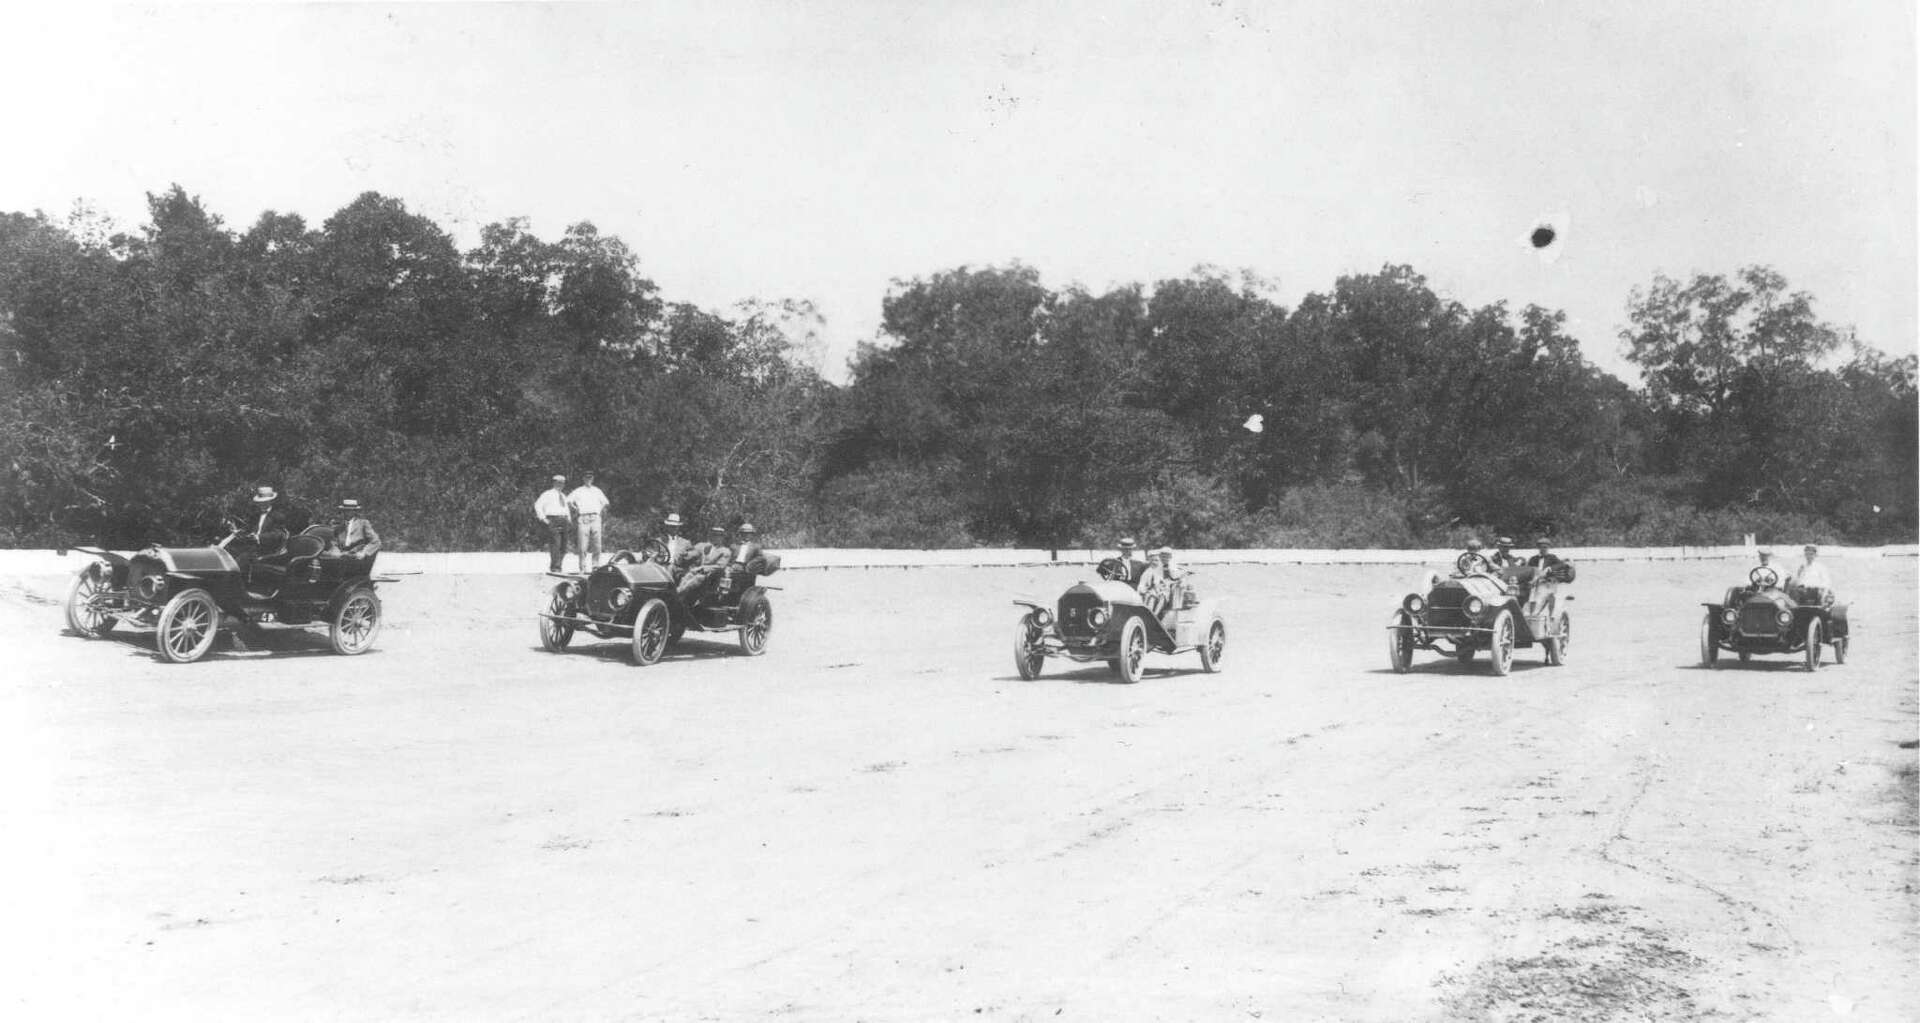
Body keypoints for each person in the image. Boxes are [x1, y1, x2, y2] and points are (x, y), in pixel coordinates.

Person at [567, 471, 610, 572]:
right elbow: (568, 501)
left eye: (590, 478)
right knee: (582, 545)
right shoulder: (578, 490)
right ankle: (582, 567)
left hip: (595, 517)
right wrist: (575, 508)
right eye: (586, 478)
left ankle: (595, 566)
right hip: (583, 517)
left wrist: (599, 510)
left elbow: (606, 502)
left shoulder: (597, 490)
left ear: (593, 479)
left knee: (597, 544)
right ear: (583, 479)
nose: (588, 480)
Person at [533, 475, 571, 573]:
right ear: (554, 483)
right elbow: (538, 505)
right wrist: (543, 518)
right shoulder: (547, 494)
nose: (560, 485)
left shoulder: (563, 496)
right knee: (556, 544)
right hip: (553, 520)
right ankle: (555, 568)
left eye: (562, 483)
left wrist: (569, 519)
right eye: (558, 482)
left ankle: (559, 565)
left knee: (564, 546)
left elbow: (566, 509)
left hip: (564, 521)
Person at [242, 484, 292, 555]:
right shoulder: (256, 515)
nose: (262, 504)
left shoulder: (278, 516)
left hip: (268, 549)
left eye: (265, 502)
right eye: (260, 502)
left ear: (271, 501)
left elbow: (277, 534)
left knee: (239, 560)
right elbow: (250, 528)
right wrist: (244, 533)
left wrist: (258, 537)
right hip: (252, 546)